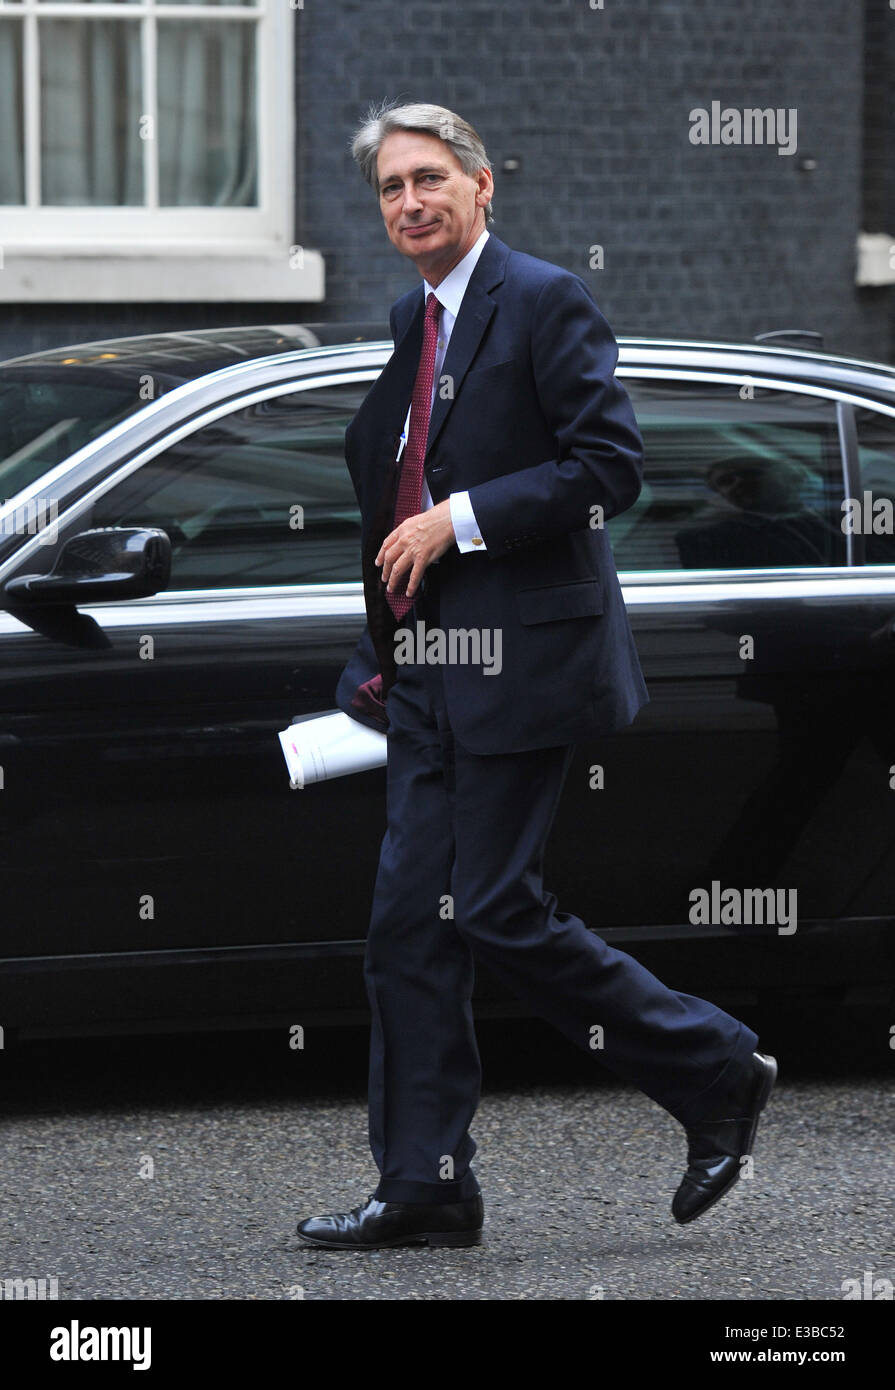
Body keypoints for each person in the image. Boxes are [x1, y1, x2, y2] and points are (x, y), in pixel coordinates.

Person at [296, 101, 776, 1250]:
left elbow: (608, 466)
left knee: (498, 908)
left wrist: (461, 520)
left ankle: (714, 1067)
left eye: (429, 179)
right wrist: (383, 655)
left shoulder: (544, 298)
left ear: (481, 184)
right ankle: (424, 1184)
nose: (409, 203)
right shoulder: (412, 318)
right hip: (428, 682)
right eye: (390, 189)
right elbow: (394, 499)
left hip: (524, 666)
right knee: (409, 931)